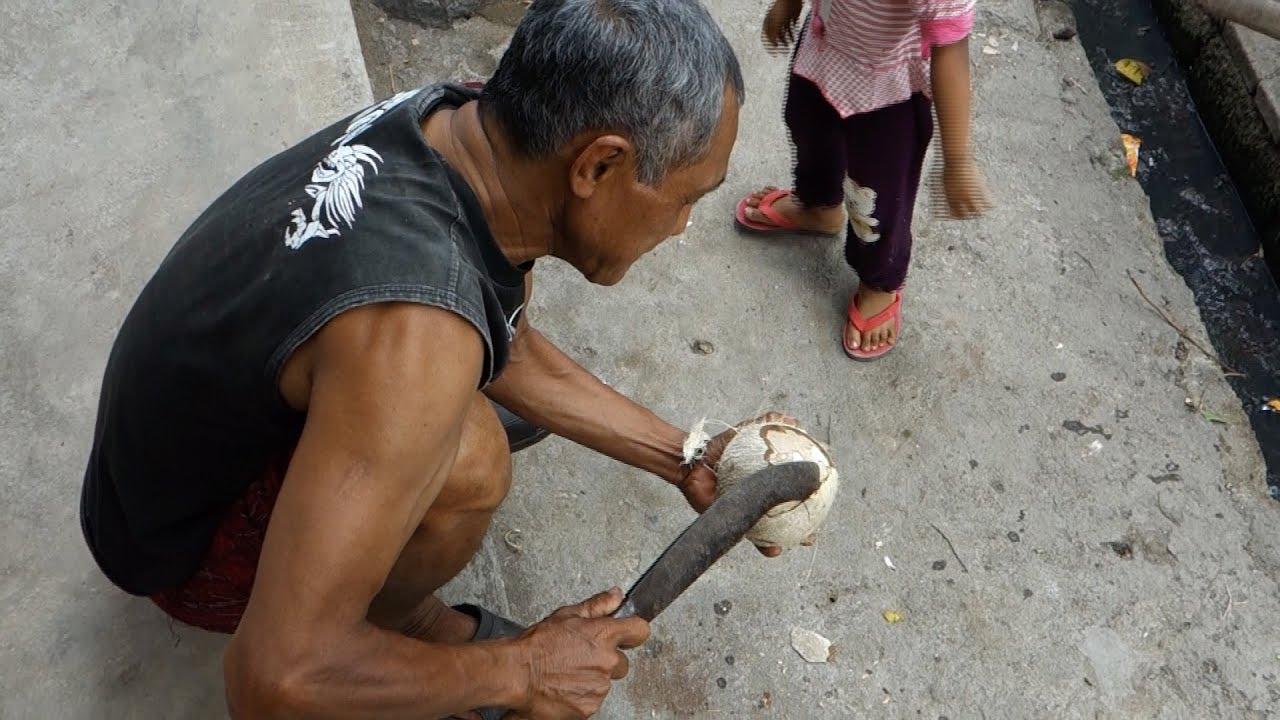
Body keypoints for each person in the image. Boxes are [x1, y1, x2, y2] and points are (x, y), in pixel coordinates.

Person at [79, 0, 783, 716]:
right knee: (472, 462)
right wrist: (524, 670)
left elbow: (504, 333)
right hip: (179, 551)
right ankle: (396, 631)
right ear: (598, 164)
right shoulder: (416, 338)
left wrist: (684, 454)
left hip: (157, 463)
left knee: (447, 407)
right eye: (686, 196)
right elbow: (273, 679)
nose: (684, 224)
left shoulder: (458, 125)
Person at [735, 0, 992, 360]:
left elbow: (950, 49)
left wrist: (958, 160)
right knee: (808, 133)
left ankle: (879, 280)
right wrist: (789, 5)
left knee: (877, 198)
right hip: (824, 50)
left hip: (890, 91)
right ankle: (820, 207)